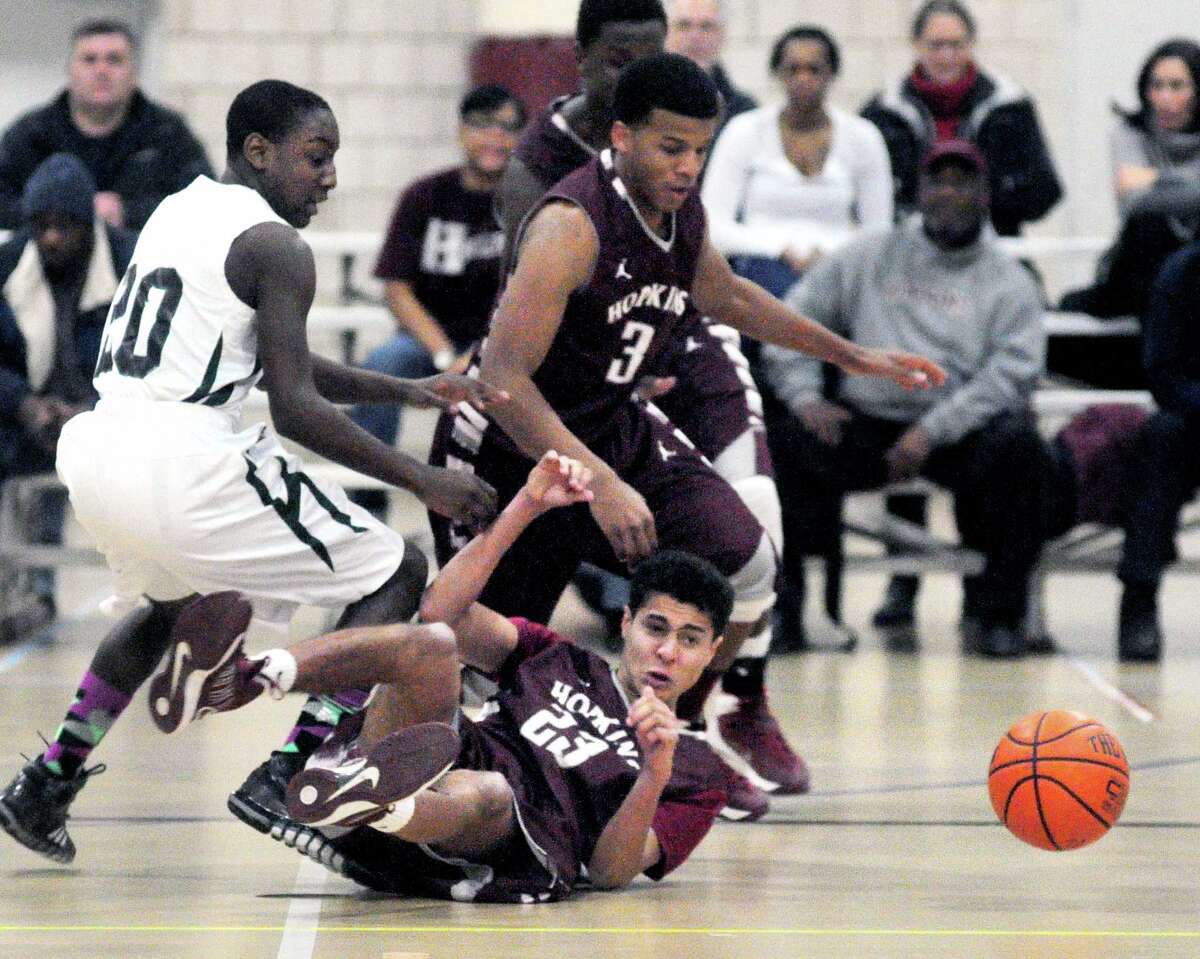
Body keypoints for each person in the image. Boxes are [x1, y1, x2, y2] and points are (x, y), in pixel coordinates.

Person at [0, 80, 505, 865]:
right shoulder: (278, 246)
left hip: (99, 451)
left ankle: (48, 780)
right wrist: (421, 477)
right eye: (316, 157)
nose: (329, 177)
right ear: (259, 151)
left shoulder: (178, 210)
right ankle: (292, 768)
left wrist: (406, 390)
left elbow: (275, 360)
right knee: (395, 569)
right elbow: (294, 406)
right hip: (184, 456)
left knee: (167, 608)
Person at [432, 53, 942, 818]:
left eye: (701, 150)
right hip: (510, 446)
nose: (688, 166)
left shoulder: (680, 211)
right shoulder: (572, 225)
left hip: (608, 424)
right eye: (672, 147)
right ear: (622, 137)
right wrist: (602, 482)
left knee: (748, 564)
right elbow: (502, 377)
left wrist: (853, 354)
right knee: (480, 663)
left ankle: (676, 732)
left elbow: (730, 295)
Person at [147, 451, 732, 902]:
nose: (666, 651)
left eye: (689, 639)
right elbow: (442, 609)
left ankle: (375, 803)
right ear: (626, 623)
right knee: (433, 644)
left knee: (488, 792)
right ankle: (248, 677)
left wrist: (653, 773)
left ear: (712, 651)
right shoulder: (559, 658)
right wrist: (525, 506)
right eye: (656, 627)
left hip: (508, 835)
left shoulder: (699, 773)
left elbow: (608, 873)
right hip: (434, 755)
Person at [498, 2, 808, 817]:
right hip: (565, 388)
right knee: (497, 650)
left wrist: (851, 353)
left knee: (755, 528)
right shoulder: (546, 178)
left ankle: (721, 710)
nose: (630, 72)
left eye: (648, 55)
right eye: (616, 59)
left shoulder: (681, 175)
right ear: (581, 59)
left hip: (669, 337)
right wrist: (604, 439)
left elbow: (724, 292)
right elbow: (513, 354)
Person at [760, 141, 1052, 658]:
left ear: (985, 195)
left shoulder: (1010, 280)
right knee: (783, 444)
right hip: (865, 420)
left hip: (956, 431)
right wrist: (805, 397)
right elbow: (792, 322)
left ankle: (1000, 614)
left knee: (1025, 454)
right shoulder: (869, 255)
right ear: (919, 192)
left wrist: (932, 431)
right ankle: (788, 613)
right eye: (938, 181)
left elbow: (1013, 373)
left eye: (962, 182)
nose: (949, 193)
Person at [349, 85, 526, 487]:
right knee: (383, 366)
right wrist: (446, 356)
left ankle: (507, 496)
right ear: (461, 130)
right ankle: (367, 499)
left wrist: (481, 356)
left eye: (507, 127)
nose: (494, 137)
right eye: (482, 125)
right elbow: (397, 289)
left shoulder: (529, 201)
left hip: (503, 347)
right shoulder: (425, 195)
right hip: (431, 344)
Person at [0, 153, 136, 639]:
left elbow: (151, 362)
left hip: (116, 423)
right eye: (41, 226)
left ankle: (165, 601)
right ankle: (17, 594)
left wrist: (92, 412)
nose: (52, 238)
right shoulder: (9, 263)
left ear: (88, 224)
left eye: (65, 226)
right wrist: (24, 403)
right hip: (28, 420)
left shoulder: (131, 261)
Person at [702, 25, 893, 302]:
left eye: (814, 69)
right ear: (777, 73)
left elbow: (879, 233)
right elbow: (713, 226)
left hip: (838, 268)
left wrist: (829, 253)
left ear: (831, 74)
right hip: (759, 265)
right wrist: (778, 248)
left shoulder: (863, 137)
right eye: (793, 69)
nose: (803, 79)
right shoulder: (744, 131)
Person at [1057, 39, 1200, 385]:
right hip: (1139, 264)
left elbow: (1144, 190)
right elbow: (1134, 203)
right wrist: (1189, 185)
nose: (1164, 98)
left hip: (1192, 271)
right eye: (1157, 85)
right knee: (1150, 229)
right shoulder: (1128, 132)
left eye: (1177, 86)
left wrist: (1154, 178)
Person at [860, 0, 1061, 238]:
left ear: (972, 43)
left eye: (956, 45)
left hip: (994, 245)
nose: (947, 56)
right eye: (936, 45)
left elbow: (1046, 192)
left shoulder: (1010, 108)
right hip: (907, 248)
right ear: (916, 44)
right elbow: (858, 192)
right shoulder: (883, 112)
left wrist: (988, 201)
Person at [0, 19, 213, 231]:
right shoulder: (32, 133)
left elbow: (205, 204)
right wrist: (64, 213)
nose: (102, 71)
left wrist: (127, 213)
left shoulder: (168, 133)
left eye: (114, 60)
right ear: (70, 70)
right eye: (89, 60)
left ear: (134, 72)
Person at [1112, 240, 1200, 662]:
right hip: (1193, 420)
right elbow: (1161, 373)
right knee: (1161, 439)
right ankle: (1139, 599)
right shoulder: (1182, 272)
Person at [664, 0, 757, 138]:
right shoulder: (642, 99)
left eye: (706, 27)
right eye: (684, 25)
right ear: (666, 32)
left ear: (722, 35)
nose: (695, 37)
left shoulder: (743, 113)